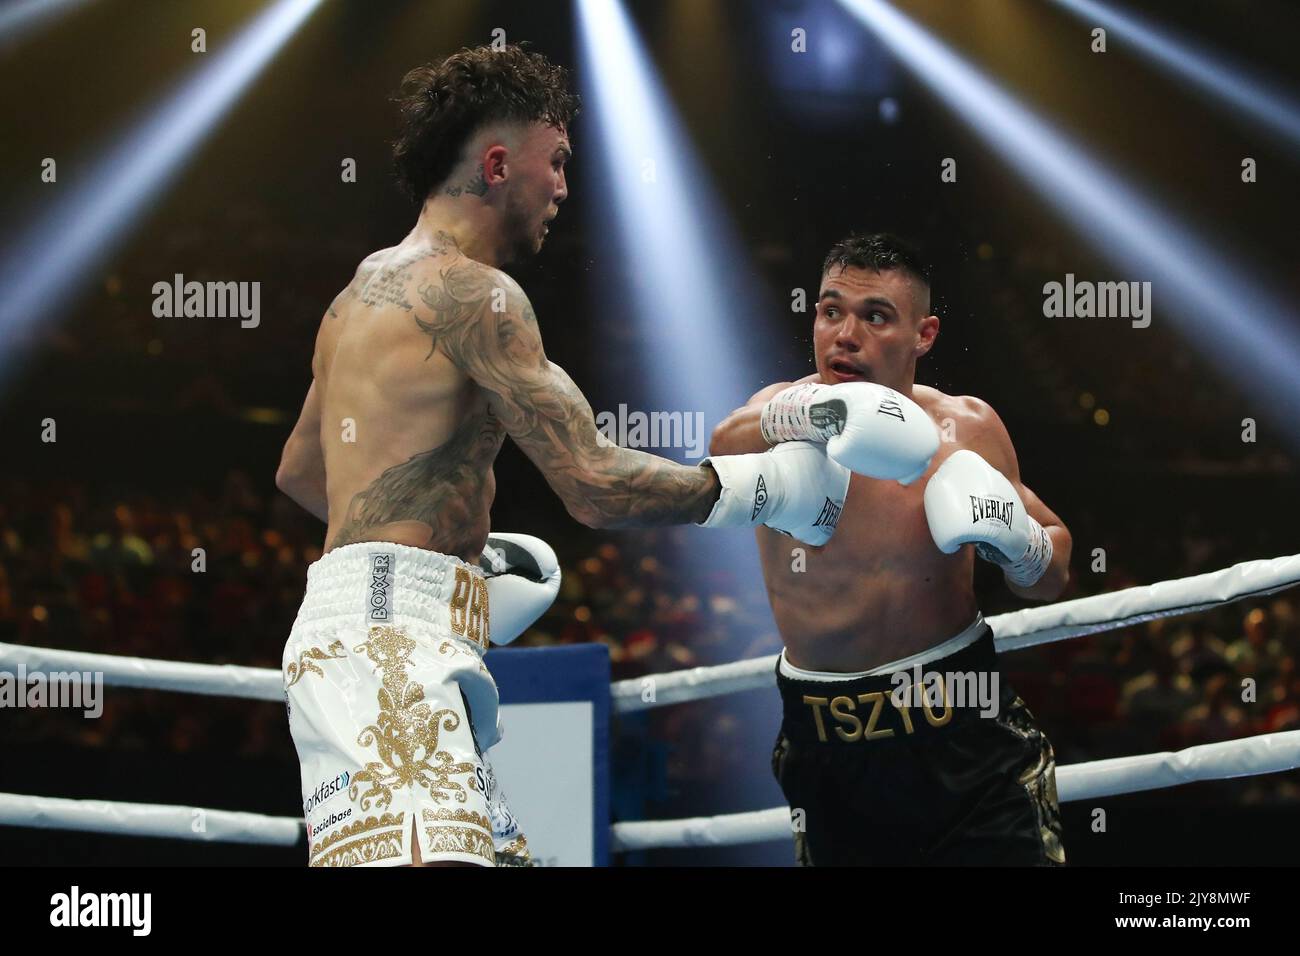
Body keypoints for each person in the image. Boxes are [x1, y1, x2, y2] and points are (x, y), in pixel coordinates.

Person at [273, 48, 935, 867]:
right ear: (496, 163)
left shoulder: (358, 294)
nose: (561, 188)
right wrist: (758, 488)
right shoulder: (482, 296)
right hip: (387, 646)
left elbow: (304, 473)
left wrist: (454, 567)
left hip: (379, 630)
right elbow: (591, 482)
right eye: (555, 164)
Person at [710, 232, 1073, 865]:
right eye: (830, 311)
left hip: (967, 742)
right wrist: (809, 415)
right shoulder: (773, 419)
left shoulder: (963, 429)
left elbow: (1053, 570)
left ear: (923, 335)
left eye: (875, 316)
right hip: (828, 750)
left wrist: (1020, 546)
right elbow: (720, 450)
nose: (845, 335)